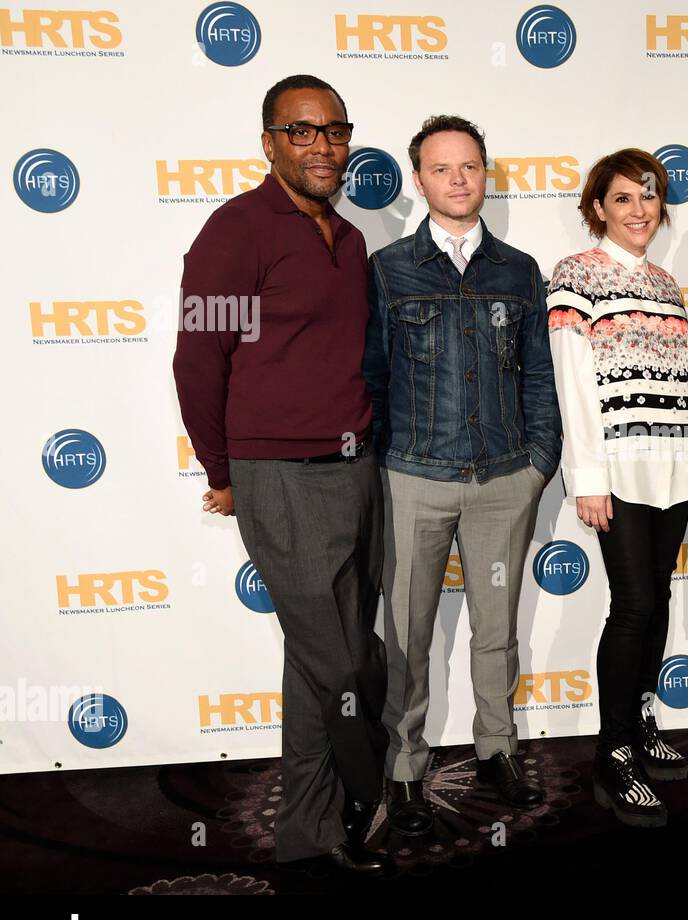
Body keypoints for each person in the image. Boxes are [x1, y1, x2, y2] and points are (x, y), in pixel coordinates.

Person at [173, 75, 390, 875]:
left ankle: (310, 832)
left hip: (354, 469)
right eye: (302, 132)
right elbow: (198, 358)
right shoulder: (234, 231)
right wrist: (221, 471)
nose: (323, 146)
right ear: (268, 142)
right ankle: (374, 796)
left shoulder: (353, 238)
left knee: (315, 665)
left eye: (335, 131)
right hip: (278, 476)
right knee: (342, 663)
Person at [363, 115, 562, 833]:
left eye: (470, 166)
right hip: (411, 478)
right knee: (408, 632)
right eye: (442, 168)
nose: (458, 180)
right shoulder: (388, 269)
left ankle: (496, 749)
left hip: (504, 481)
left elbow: (539, 375)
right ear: (419, 180)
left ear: (485, 174)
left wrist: (539, 465)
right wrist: (384, 470)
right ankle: (405, 766)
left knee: (496, 630)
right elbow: (372, 381)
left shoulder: (519, 270)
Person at [546, 149, 688, 827]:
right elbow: (573, 385)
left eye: (648, 197)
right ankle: (611, 756)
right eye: (623, 199)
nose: (639, 210)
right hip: (617, 470)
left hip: (675, 467)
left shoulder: (669, 284)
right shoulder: (575, 277)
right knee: (634, 604)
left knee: (658, 599)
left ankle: (641, 723)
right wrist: (587, 479)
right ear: (598, 209)